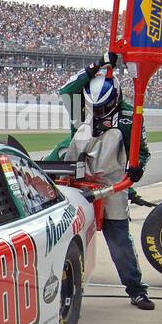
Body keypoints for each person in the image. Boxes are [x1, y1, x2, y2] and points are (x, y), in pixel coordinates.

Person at [48, 53, 154, 310]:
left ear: (116, 97)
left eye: (105, 107)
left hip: (112, 183)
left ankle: (136, 290)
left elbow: (141, 151)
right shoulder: (81, 109)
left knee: (118, 239)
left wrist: (136, 168)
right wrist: (95, 65)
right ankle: (53, 286)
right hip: (76, 179)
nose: (100, 113)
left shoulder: (130, 116)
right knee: (60, 234)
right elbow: (66, 90)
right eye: (95, 107)